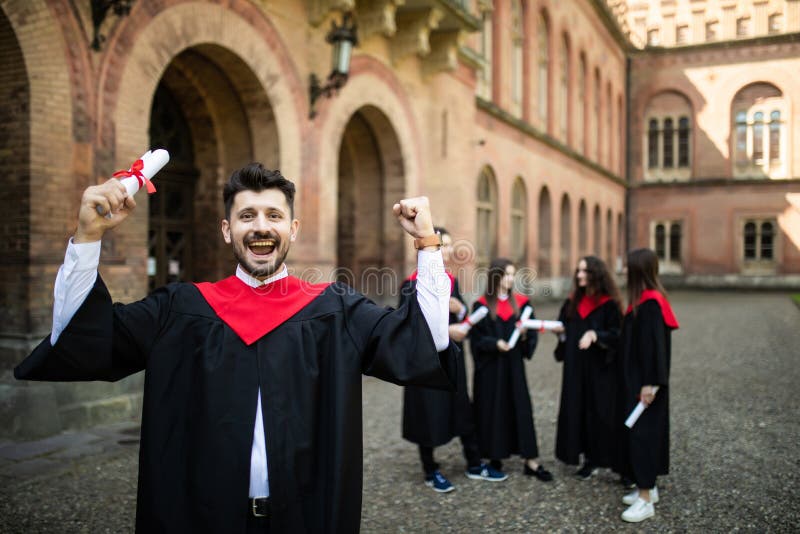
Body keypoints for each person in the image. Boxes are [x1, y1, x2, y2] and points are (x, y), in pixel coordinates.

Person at [14, 163, 460, 534]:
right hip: (199, 520)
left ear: (293, 228)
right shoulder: (181, 310)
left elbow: (426, 341)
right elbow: (79, 337)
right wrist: (88, 235)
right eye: (247, 216)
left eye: (273, 215)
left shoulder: (335, 311)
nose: (261, 227)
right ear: (227, 230)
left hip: (305, 519)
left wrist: (427, 243)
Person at [400, 227, 507, 493]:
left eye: (447, 245)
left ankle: (474, 463)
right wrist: (446, 330)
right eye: (440, 245)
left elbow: (460, 313)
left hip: (451, 358)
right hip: (424, 362)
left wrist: (460, 310)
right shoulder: (410, 284)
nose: (445, 250)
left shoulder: (451, 281)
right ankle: (430, 469)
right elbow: (406, 326)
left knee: (462, 408)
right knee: (427, 413)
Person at [468, 258, 553, 482]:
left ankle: (530, 460)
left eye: (512, 274)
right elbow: (475, 340)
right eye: (506, 274)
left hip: (514, 366)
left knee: (520, 407)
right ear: (495, 277)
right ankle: (496, 455)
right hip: (491, 369)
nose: (510, 279)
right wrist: (494, 344)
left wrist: (525, 335)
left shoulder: (522, 305)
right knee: (493, 409)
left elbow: (531, 335)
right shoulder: (481, 306)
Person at [615, 248, 679, 523]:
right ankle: (648, 488)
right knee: (642, 434)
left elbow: (655, 348)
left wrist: (651, 384)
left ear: (638, 270)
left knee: (643, 437)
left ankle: (644, 500)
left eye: (628, 267)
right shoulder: (643, 301)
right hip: (638, 379)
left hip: (645, 384)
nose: (624, 271)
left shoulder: (651, 304)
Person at [552, 256, 622, 479]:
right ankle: (581, 455)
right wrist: (560, 335)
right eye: (579, 271)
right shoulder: (572, 302)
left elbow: (618, 335)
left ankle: (599, 458)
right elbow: (564, 329)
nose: (580, 275)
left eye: (585, 272)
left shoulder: (609, 304)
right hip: (574, 367)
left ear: (596, 275)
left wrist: (595, 335)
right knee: (576, 409)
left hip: (600, 369)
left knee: (598, 412)